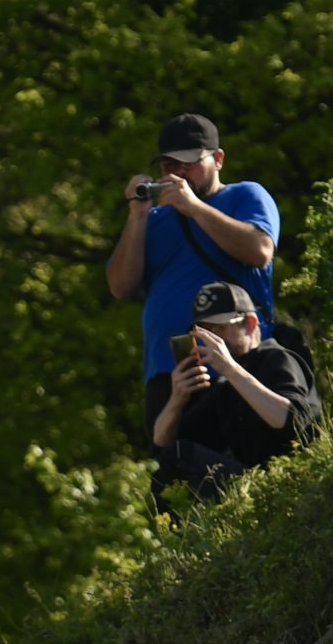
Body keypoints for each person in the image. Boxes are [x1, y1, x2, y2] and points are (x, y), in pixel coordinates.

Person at [108, 113, 281, 441]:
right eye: (169, 166)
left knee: (246, 462)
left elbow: (259, 250)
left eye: (188, 163)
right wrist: (137, 214)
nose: (178, 174)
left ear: (218, 159)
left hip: (239, 362)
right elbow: (120, 286)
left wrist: (194, 208)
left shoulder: (245, 196)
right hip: (172, 373)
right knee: (178, 474)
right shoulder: (152, 221)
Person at [152, 281, 321, 504]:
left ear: (250, 323)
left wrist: (231, 369)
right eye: (205, 332)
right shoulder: (225, 387)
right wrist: (177, 399)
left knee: (179, 457)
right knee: (170, 465)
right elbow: (163, 443)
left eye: (219, 329)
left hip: (296, 486)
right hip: (256, 491)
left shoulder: (277, 359)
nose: (212, 339)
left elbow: (295, 422)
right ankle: (181, 539)